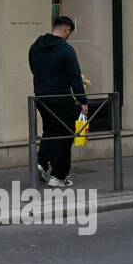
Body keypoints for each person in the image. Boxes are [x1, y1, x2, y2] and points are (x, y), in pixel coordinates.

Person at [28, 16, 89, 188]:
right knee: (65, 135)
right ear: (67, 30)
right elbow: (75, 78)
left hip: (41, 97)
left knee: (50, 130)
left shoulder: (36, 46)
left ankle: (41, 163)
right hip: (61, 97)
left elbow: (34, 69)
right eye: (70, 32)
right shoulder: (66, 49)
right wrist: (82, 101)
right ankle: (58, 176)